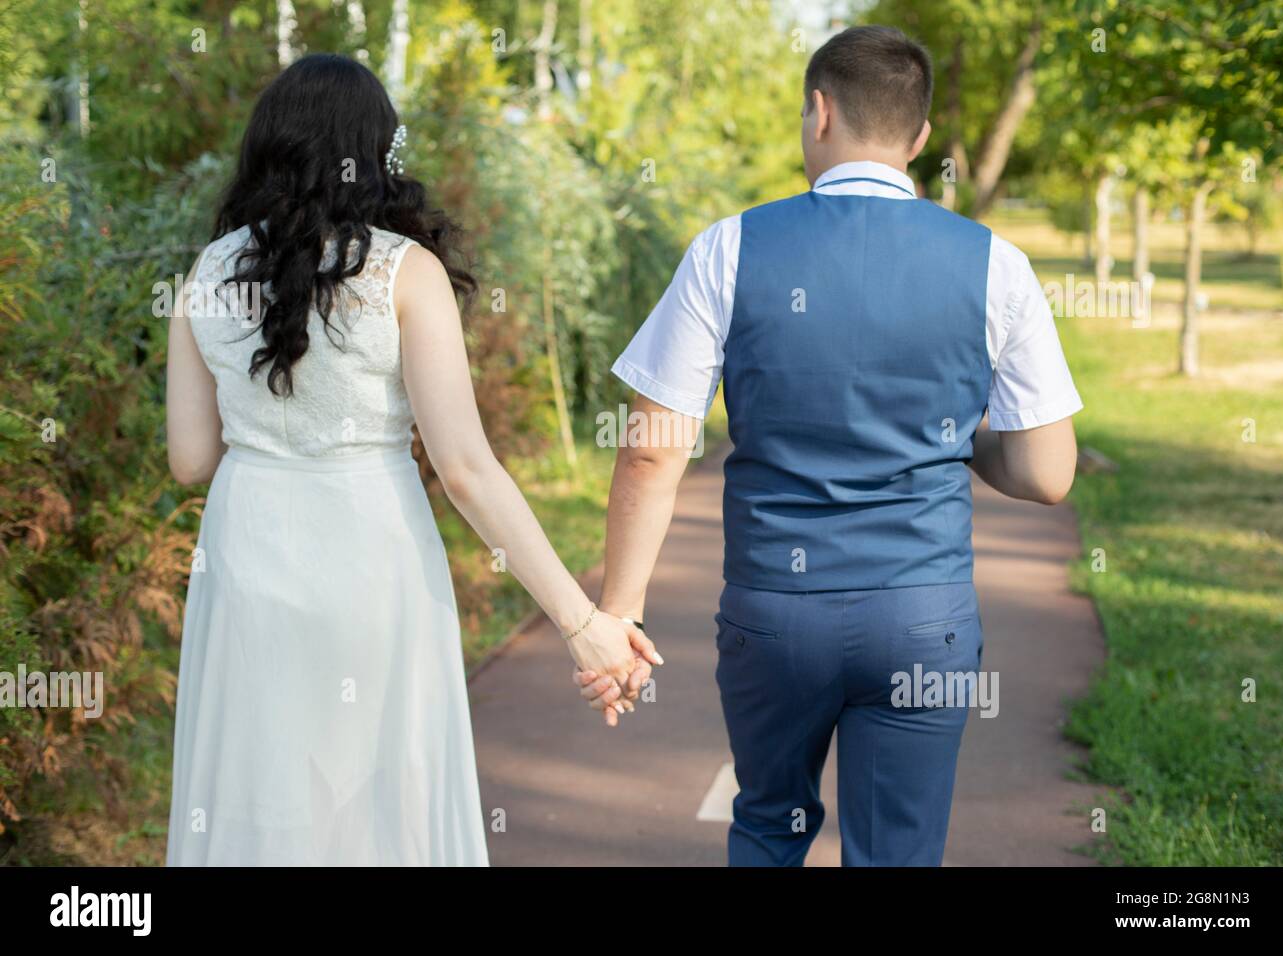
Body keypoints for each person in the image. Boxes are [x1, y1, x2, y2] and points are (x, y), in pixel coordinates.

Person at [576, 25, 1081, 867]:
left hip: (776, 615)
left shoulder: (729, 249)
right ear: (918, 139)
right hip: (923, 616)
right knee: (898, 852)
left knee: (769, 825)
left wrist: (618, 612)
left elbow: (652, 450)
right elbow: (1045, 471)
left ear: (819, 112)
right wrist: (957, 441)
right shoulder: (996, 265)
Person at [164, 53, 657, 866]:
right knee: (379, 795)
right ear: (373, 153)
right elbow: (464, 468)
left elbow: (190, 459)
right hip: (371, 555)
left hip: (245, 552)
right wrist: (582, 623)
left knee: (258, 785)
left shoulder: (208, 272)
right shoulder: (402, 271)